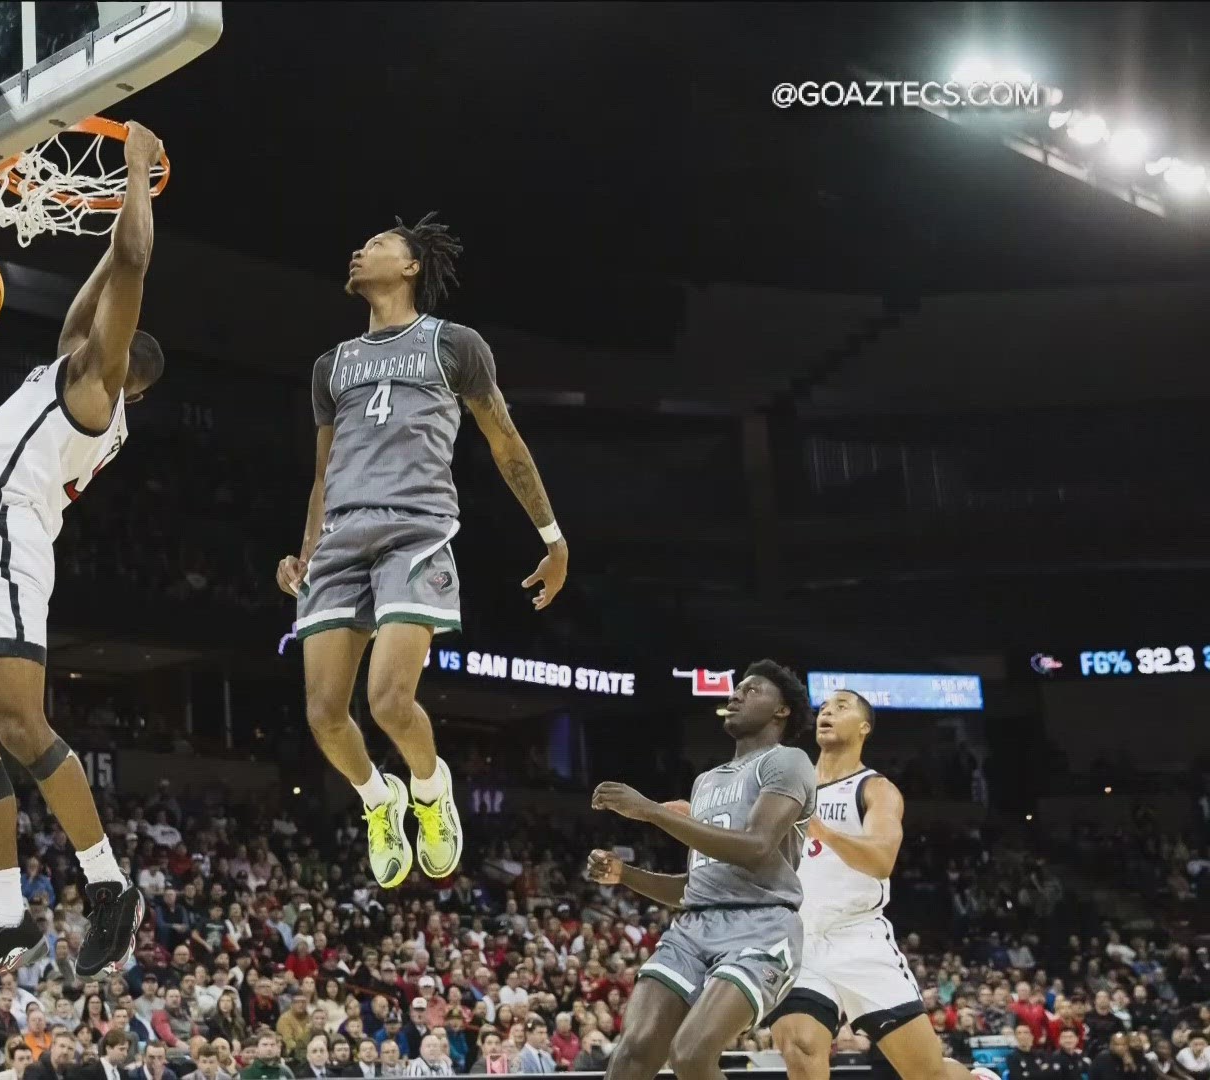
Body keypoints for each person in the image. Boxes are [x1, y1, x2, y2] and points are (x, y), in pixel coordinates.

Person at [0, 121, 166, 991]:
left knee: (21, 727)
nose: (93, 329)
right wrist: (102, 231)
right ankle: (5, 916)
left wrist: (135, 172)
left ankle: (108, 885)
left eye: (109, 333)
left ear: (126, 367)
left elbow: (130, 270)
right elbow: (101, 285)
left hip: (6, 549)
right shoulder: (65, 366)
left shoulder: (97, 390)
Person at [275, 212, 566, 889]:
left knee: (388, 702)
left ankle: (432, 792)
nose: (358, 249)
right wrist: (305, 551)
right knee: (322, 713)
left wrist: (552, 537)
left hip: (417, 529)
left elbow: (506, 443)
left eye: (375, 243)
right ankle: (382, 802)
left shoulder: (454, 345)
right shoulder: (332, 366)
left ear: (409, 267)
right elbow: (324, 473)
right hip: (342, 537)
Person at [584, 662, 818, 1080]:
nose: (736, 695)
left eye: (752, 690)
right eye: (736, 689)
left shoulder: (788, 761)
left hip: (761, 924)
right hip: (694, 926)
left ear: (782, 710)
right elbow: (697, 888)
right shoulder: (706, 782)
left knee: (691, 1054)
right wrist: (625, 874)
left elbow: (756, 848)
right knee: (633, 1053)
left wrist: (651, 811)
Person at [753, 689, 999, 1080]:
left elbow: (881, 860)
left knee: (926, 1073)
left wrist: (819, 828)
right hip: (798, 937)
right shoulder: (786, 787)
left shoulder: (875, 789)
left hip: (858, 937)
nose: (827, 712)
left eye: (841, 707)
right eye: (824, 708)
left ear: (864, 727)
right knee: (799, 1048)